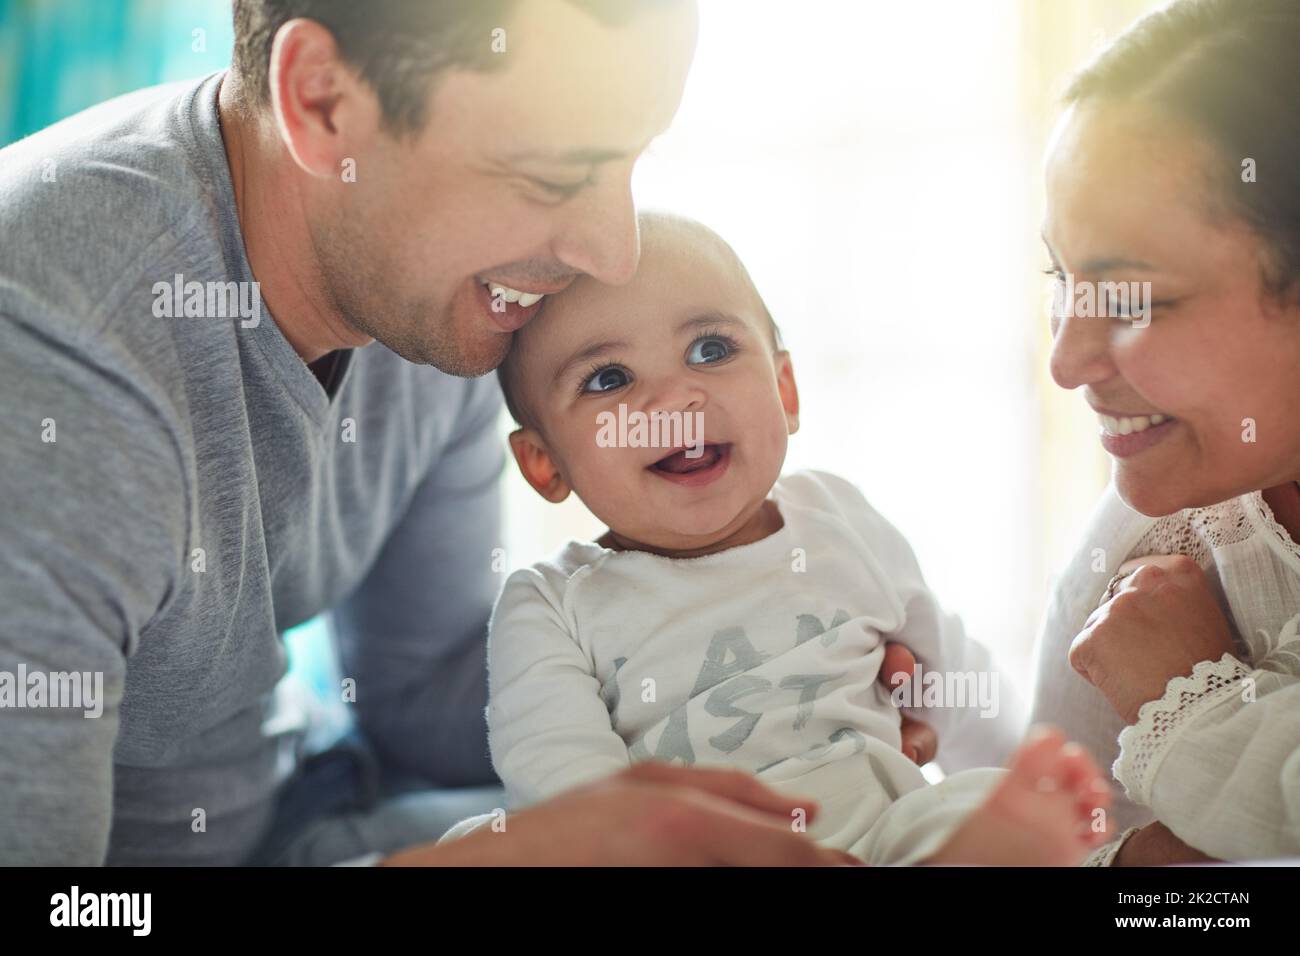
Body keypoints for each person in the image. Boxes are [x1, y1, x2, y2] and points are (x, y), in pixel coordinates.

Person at [2, 0, 923, 867]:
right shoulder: (54, 364)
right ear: (323, 103)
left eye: (629, 162)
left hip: (307, 813)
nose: (610, 252)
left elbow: (416, 696)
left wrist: (745, 667)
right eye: (553, 176)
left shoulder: (431, 299)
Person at [435, 212, 1111, 866]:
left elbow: (946, 678)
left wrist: (1018, 773)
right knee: (477, 848)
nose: (676, 400)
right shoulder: (550, 604)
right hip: (698, 852)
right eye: (608, 379)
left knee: (966, 802)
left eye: (711, 350)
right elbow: (571, 792)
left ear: (785, 389)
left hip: (884, 829)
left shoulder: (836, 517)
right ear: (543, 462)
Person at [1031, 0, 1300, 864]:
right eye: (1059, 277)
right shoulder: (1146, 546)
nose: (1066, 363)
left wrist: (1196, 707)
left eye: (1131, 296)